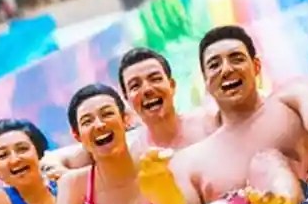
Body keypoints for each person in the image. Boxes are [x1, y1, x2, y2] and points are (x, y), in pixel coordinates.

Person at [138, 24, 308, 204]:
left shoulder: (290, 98)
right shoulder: (190, 162)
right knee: (234, 202)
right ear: (206, 82)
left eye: (236, 58)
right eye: (214, 65)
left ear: (256, 66)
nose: (226, 70)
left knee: (266, 163)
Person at [40, 47, 218, 179]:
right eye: (135, 86)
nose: (147, 89)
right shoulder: (132, 152)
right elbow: (56, 158)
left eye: (155, 79)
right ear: (127, 99)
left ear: (172, 85)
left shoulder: (209, 123)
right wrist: (66, 175)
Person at [54, 84, 179, 204]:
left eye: (107, 114)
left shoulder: (157, 166)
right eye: (87, 121)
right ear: (77, 135)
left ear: (126, 119)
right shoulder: (73, 185)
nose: (99, 125)